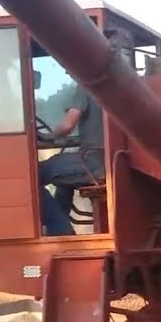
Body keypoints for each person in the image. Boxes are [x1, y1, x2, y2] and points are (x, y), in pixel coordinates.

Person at [38, 87, 104, 236]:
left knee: (33, 175)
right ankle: (59, 230)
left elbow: (67, 126)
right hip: (107, 161)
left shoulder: (85, 88)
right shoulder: (113, 88)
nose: (69, 74)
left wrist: (49, 136)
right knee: (64, 179)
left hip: (91, 162)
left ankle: (59, 230)